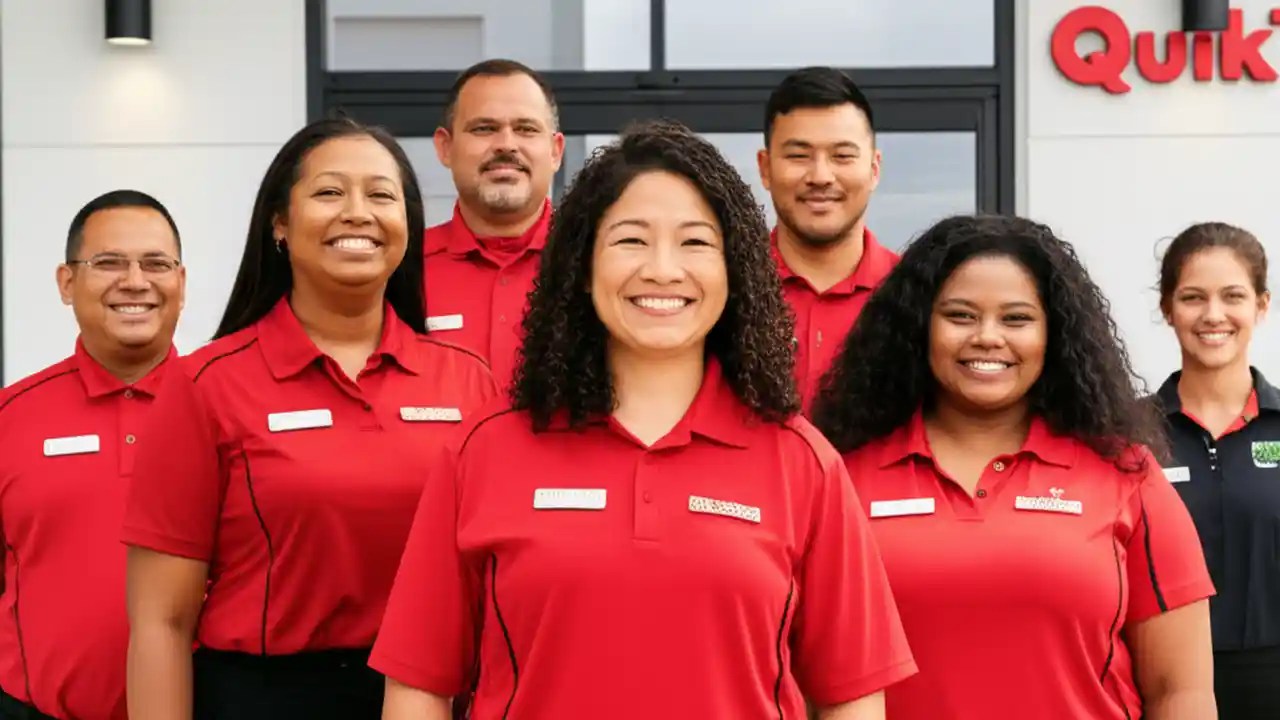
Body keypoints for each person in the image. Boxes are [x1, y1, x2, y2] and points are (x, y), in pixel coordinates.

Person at [370, 120, 916, 720]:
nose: (662, 269)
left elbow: (850, 697)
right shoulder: (485, 449)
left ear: (735, 270)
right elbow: (419, 686)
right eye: (631, 240)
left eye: (694, 243)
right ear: (582, 266)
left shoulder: (802, 462)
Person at [121, 117, 497, 720]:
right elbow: (161, 621)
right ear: (279, 222)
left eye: (381, 195)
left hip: (432, 697)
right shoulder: (205, 384)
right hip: (265, 699)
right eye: (329, 192)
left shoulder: (471, 382)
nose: (358, 213)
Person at [812, 214, 1217, 720]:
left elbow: (1181, 692)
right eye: (960, 315)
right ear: (920, 326)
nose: (987, 337)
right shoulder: (841, 476)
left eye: (1016, 319)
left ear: (1054, 334)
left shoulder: (1126, 473)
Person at [0, 190, 183, 720]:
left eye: (156, 264)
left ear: (181, 282)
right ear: (66, 282)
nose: (135, 281)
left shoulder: (223, 407)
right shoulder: (11, 416)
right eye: (108, 263)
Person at [1151, 222, 1276, 720]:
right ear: (1168, 308)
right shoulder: (1126, 436)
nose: (1213, 315)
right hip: (1157, 686)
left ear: (1261, 305)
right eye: (1193, 297)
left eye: (1233, 296)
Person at [757, 66, 897, 413]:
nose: (820, 176)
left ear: (874, 169)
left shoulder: (915, 293)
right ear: (765, 168)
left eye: (842, 156)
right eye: (798, 156)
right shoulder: (725, 290)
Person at [424, 58, 565, 390]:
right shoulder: (398, 270)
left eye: (526, 129)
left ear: (555, 151)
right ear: (445, 147)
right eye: (484, 129)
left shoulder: (597, 263)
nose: (506, 144)